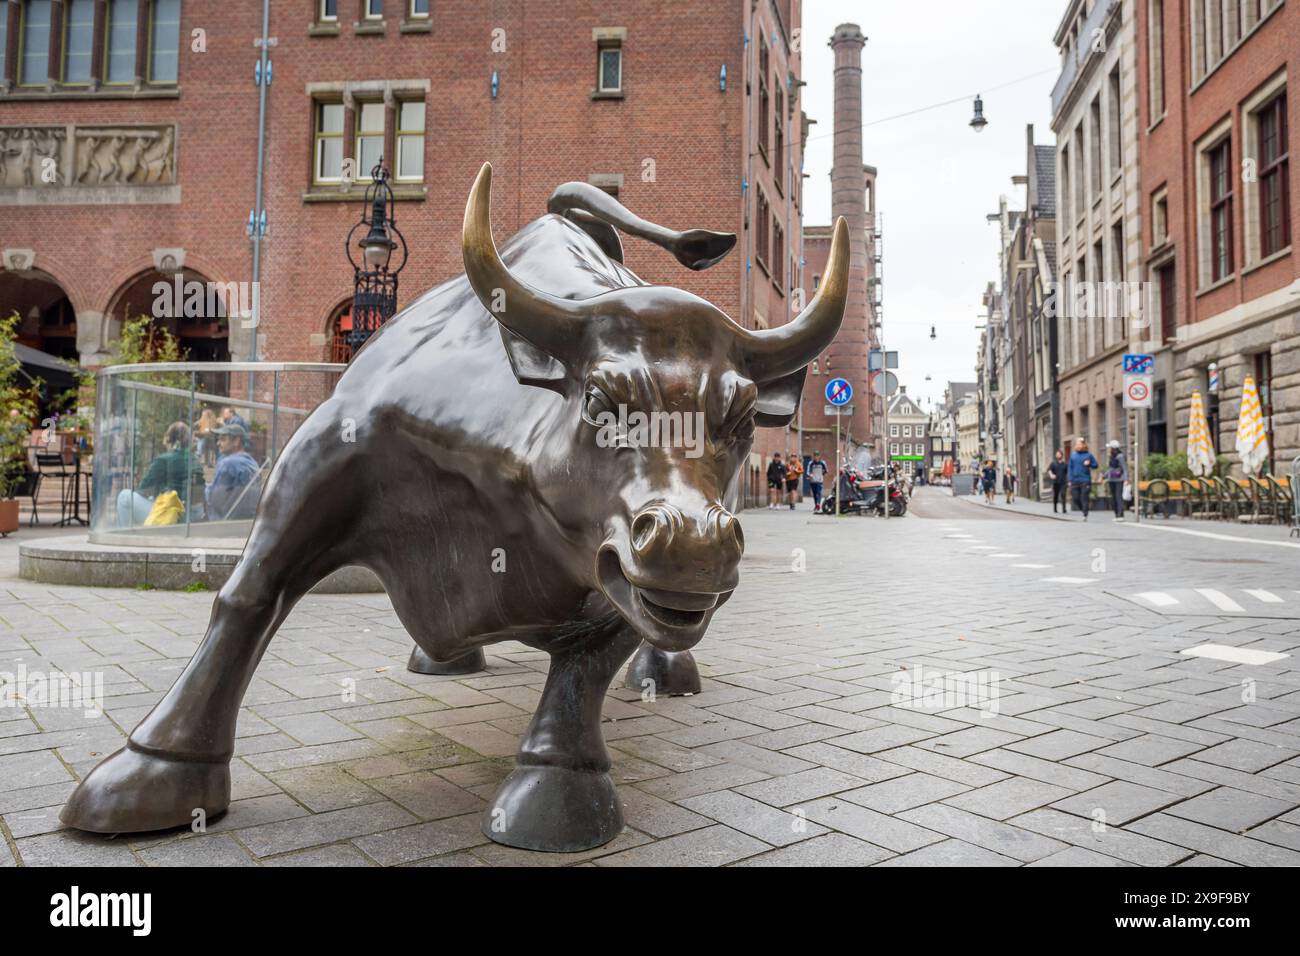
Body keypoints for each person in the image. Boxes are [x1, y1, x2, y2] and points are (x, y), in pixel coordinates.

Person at [116, 421, 205, 526]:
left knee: (124, 496)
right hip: (193, 515)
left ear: (168, 439)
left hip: (172, 516)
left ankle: (125, 536)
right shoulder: (195, 460)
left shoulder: (164, 460)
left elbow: (143, 489)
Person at [206, 423, 261, 520]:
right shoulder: (253, 463)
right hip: (244, 522)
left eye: (223, 439)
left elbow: (215, 500)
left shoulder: (228, 464)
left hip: (224, 525)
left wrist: (207, 489)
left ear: (236, 441)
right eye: (218, 439)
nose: (218, 443)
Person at [1068, 438, 1099, 520]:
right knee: (1075, 498)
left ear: (1083, 445)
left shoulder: (1089, 455)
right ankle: (1084, 509)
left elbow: (1095, 465)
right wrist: (1070, 480)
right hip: (1075, 480)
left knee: (1084, 497)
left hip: (1085, 480)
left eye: (1079, 444)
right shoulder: (1073, 455)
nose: (1077, 445)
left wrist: (1089, 464)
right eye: (1076, 444)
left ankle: (1085, 514)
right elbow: (1070, 468)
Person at [1105, 439, 1128, 521]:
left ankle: (1120, 514)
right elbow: (1110, 468)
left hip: (1119, 479)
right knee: (1113, 497)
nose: (1109, 449)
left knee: (1118, 496)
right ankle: (1116, 515)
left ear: (1114, 448)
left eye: (1110, 447)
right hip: (1111, 479)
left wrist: (1126, 479)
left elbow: (1124, 468)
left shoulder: (1120, 456)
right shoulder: (1111, 456)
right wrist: (1104, 476)